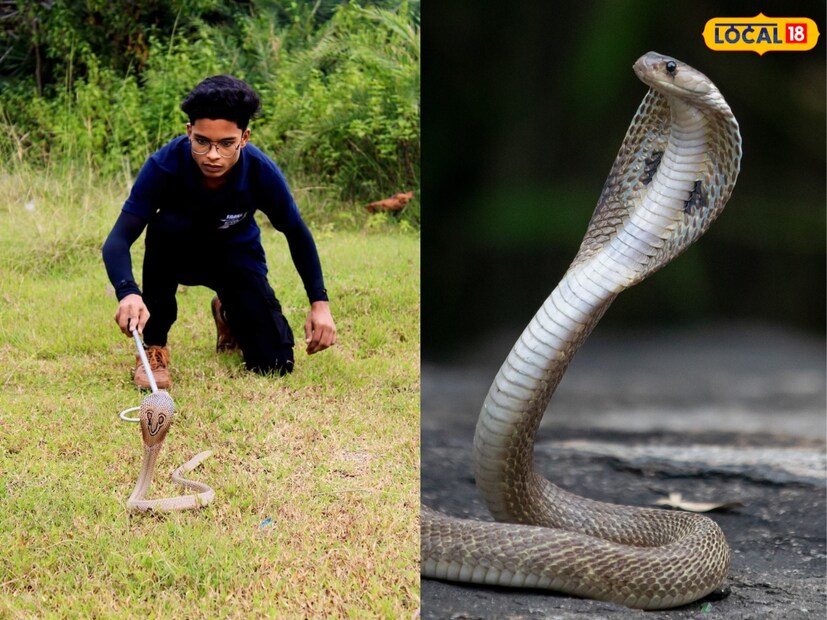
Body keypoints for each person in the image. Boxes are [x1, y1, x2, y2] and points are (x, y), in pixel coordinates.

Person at [102, 75, 337, 388]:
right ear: (189, 132)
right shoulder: (164, 166)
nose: (213, 155)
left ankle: (227, 314)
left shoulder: (260, 171)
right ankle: (154, 348)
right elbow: (118, 239)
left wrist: (319, 304)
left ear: (244, 137)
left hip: (235, 255)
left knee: (275, 363)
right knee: (163, 230)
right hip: (175, 252)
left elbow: (296, 232)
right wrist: (127, 291)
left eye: (226, 144)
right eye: (202, 141)